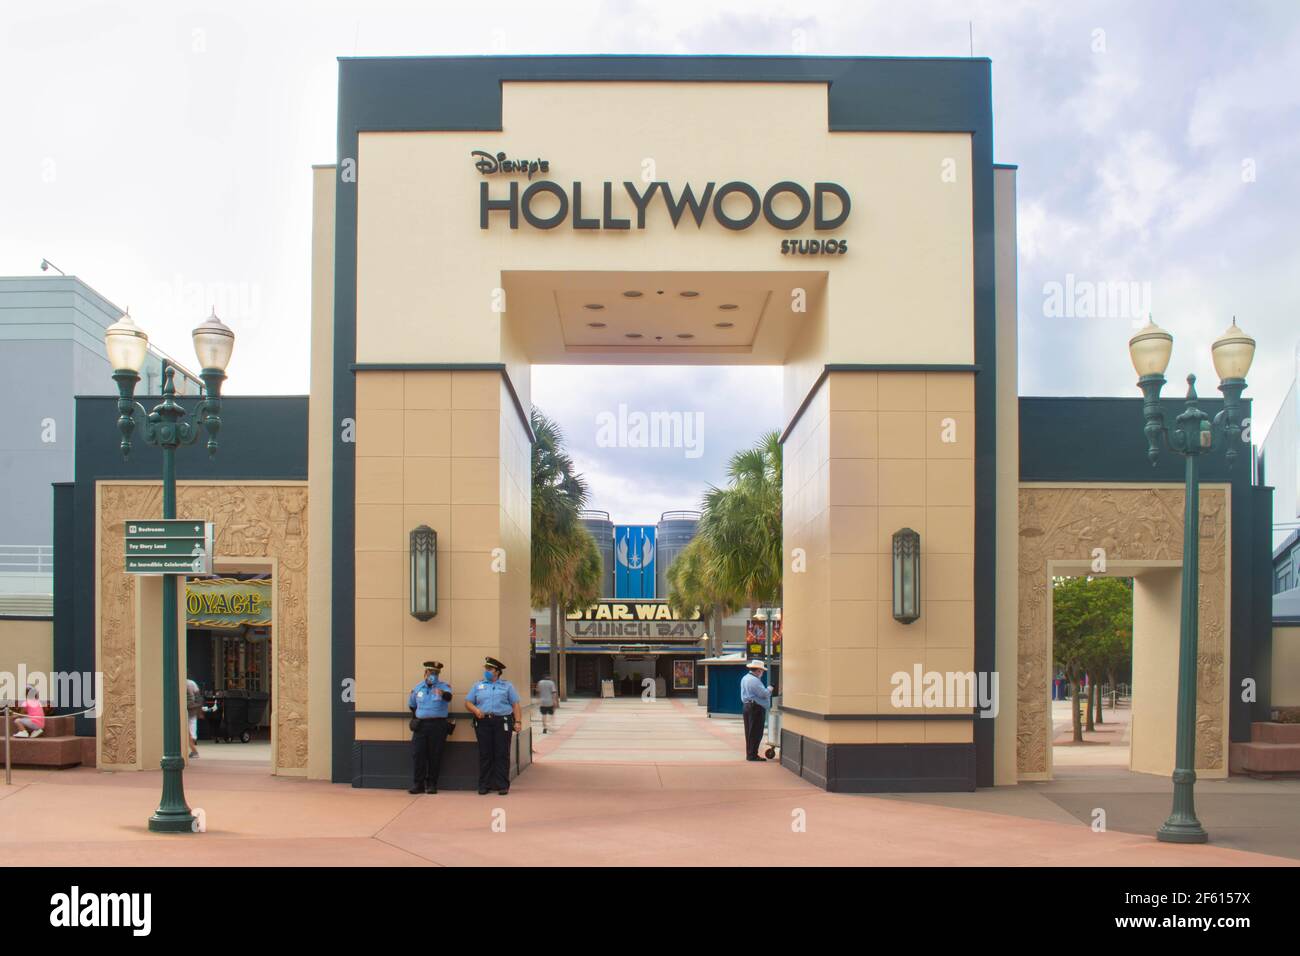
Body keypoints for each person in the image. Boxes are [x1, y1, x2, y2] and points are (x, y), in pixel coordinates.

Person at [465, 656, 521, 795]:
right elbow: (468, 702)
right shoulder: (478, 685)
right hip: (483, 722)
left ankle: (502, 785)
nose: (486, 671)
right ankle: (484, 785)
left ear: (497, 671)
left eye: (489, 669)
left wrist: (518, 722)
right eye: (486, 669)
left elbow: (515, 704)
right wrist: (476, 710)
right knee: (485, 754)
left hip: (502, 722)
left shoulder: (507, 686)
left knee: (502, 753)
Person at [408, 660, 453, 794]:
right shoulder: (417, 688)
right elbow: (412, 705)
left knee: (435, 755)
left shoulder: (444, 686)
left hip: (438, 725)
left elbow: (449, 697)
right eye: (431, 672)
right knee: (418, 755)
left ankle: (432, 784)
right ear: (425, 673)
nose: (434, 675)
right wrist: (419, 716)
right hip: (421, 726)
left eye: (436, 673)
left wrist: (442, 694)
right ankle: (418, 784)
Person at [740, 659, 772, 761]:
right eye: (762, 671)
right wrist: (770, 688)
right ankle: (753, 755)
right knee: (756, 732)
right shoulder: (754, 681)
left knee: (749, 731)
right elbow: (764, 694)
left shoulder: (745, 678)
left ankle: (750, 753)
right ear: (758, 670)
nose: (762, 673)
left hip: (747, 706)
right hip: (755, 708)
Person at [186, 678, 202, 758]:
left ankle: (194, 750)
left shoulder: (184, 683)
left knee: (188, 731)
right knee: (192, 727)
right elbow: (198, 696)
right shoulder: (192, 683)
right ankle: (193, 747)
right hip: (193, 708)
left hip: (187, 708)